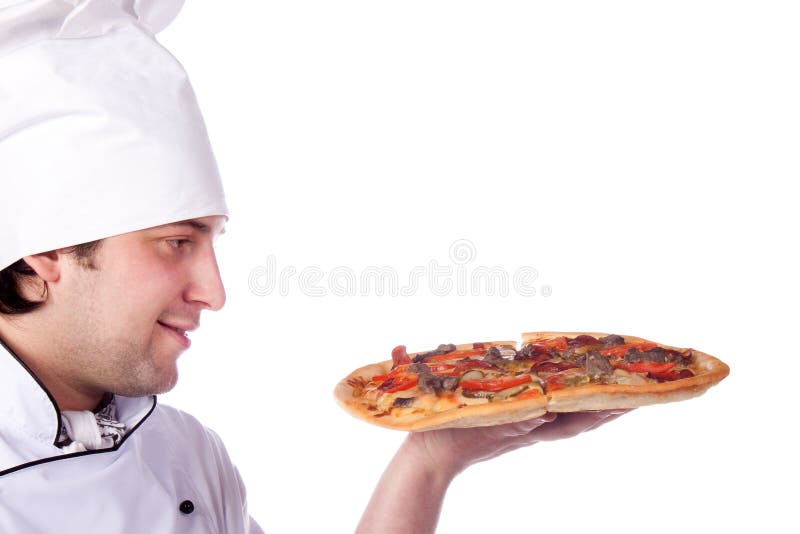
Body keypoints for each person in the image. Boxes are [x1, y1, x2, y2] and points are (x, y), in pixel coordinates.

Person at [0, 2, 627, 532]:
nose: (215, 292)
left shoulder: (184, 454)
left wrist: (431, 458)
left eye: (211, 241)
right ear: (49, 249)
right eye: (175, 242)